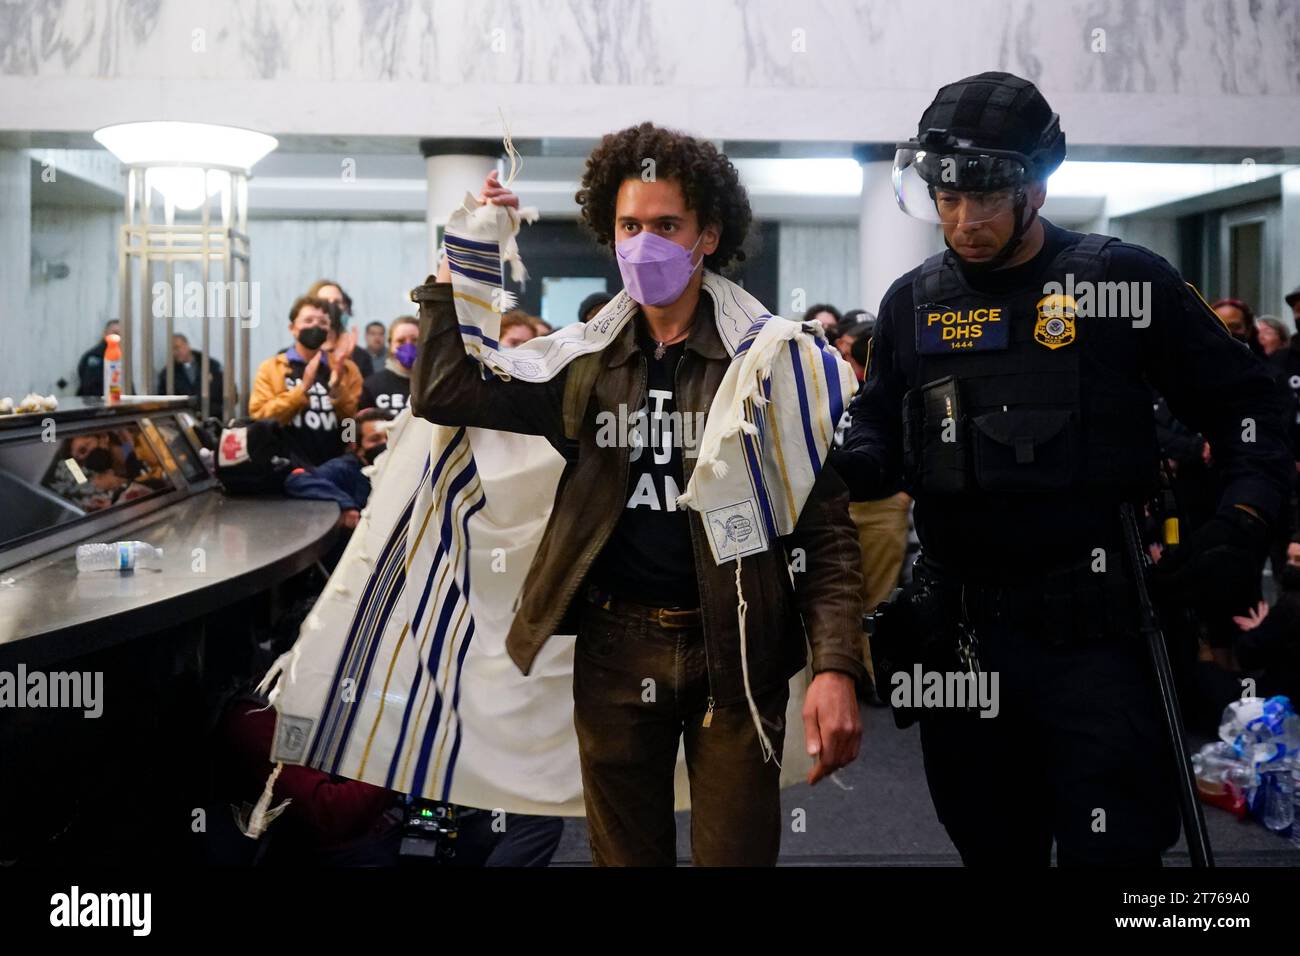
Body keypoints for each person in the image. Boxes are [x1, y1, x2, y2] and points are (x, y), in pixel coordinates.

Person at [836, 71, 1291, 867]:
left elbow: (1252, 409)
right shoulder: (914, 302)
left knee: (1113, 851)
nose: (964, 220)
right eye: (945, 197)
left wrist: (1241, 527)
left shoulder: (1122, 283)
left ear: (1037, 188)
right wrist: (864, 459)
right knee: (990, 844)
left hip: (1098, 639)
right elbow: (877, 409)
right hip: (961, 636)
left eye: (984, 197)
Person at [410, 124, 865, 867]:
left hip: (738, 647)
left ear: (707, 235)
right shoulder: (583, 360)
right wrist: (468, 249)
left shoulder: (773, 364)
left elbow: (826, 534)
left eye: (665, 226)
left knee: (736, 856)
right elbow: (444, 389)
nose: (643, 243)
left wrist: (837, 666)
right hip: (617, 648)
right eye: (629, 226)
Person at [249, 294, 363, 466]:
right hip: (287, 467)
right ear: (292, 328)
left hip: (335, 465)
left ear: (329, 330)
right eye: (308, 320)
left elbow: (351, 422)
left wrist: (337, 386)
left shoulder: (346, 368)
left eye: (323, 323)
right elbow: (260, 418)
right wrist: (302, 389)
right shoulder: (271, 368)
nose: (315, 326)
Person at [308, 279, 373, 377]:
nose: (331, 306)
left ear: (346, 308)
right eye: (324, 301)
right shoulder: (297, 353)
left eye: (337, 302)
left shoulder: (361, 357)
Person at [155, 333, 224, 419]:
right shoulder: (167, 374)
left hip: (213, 419)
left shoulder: (212, 365)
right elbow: (163, 402)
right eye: (172, 350)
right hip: (184, 422)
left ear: (187, 345)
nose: (175, 352)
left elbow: (226, 392)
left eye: (177, 347)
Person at [359, 317, 419, 413]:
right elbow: (358, 423)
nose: (408, 345)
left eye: (415, 340)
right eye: (401, 341)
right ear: (391, 345)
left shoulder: (435, 383)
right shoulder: (372, 385)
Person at [76, 319, 121, 397]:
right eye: (115, 333)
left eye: (121, 334)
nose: (118, 337)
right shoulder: (95, 356)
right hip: (95, 404)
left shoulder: (120, 355)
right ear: (105, 334)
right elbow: (90, 386)